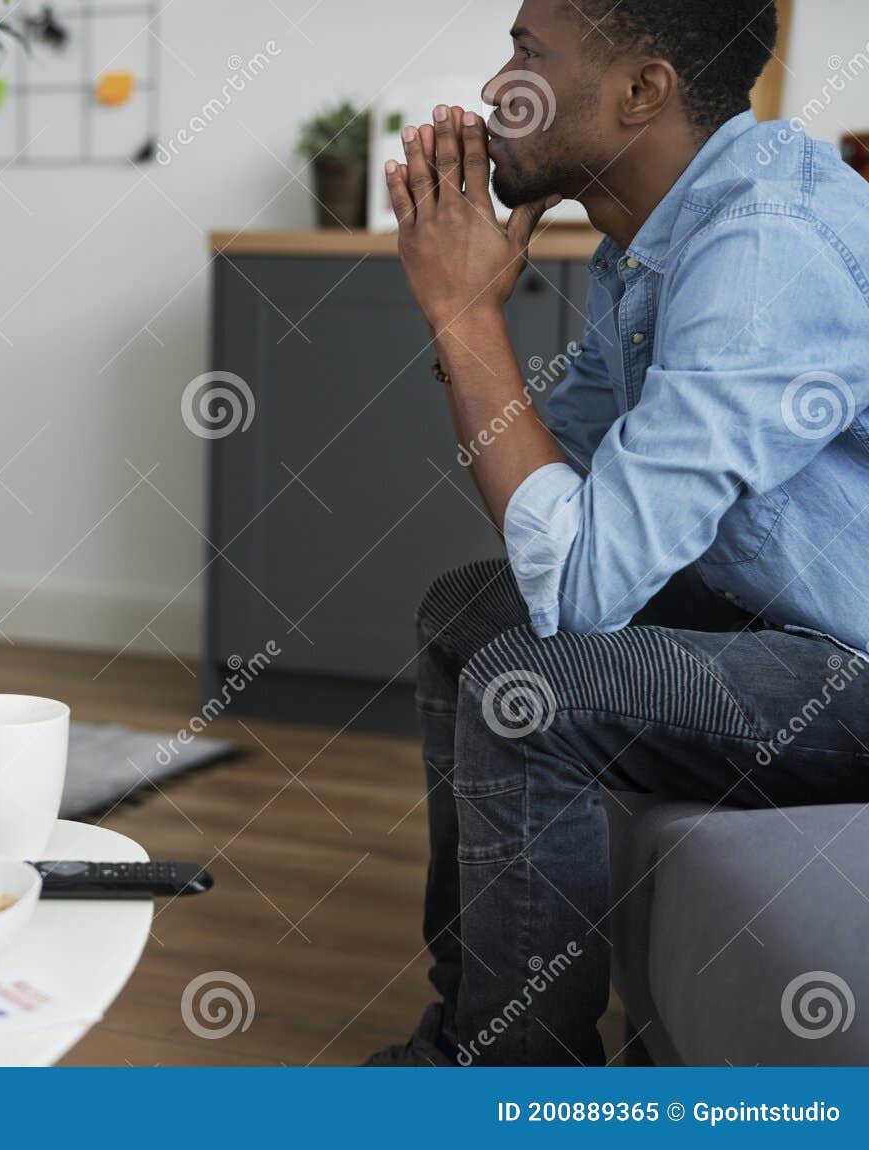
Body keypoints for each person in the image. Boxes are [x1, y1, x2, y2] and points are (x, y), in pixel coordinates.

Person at [366, 0, 869, 1065]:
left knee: (528, 695)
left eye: (528, 55)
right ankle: (466, 1033)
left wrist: (466, 319)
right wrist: (466, 327)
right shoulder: (653, 243)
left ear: (641, 90)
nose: (499, 86)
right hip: (778, 617)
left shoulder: (763, 248)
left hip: (851, 665)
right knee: (466, 613)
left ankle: (523, 1091)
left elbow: (584, 580)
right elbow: (559, 516)